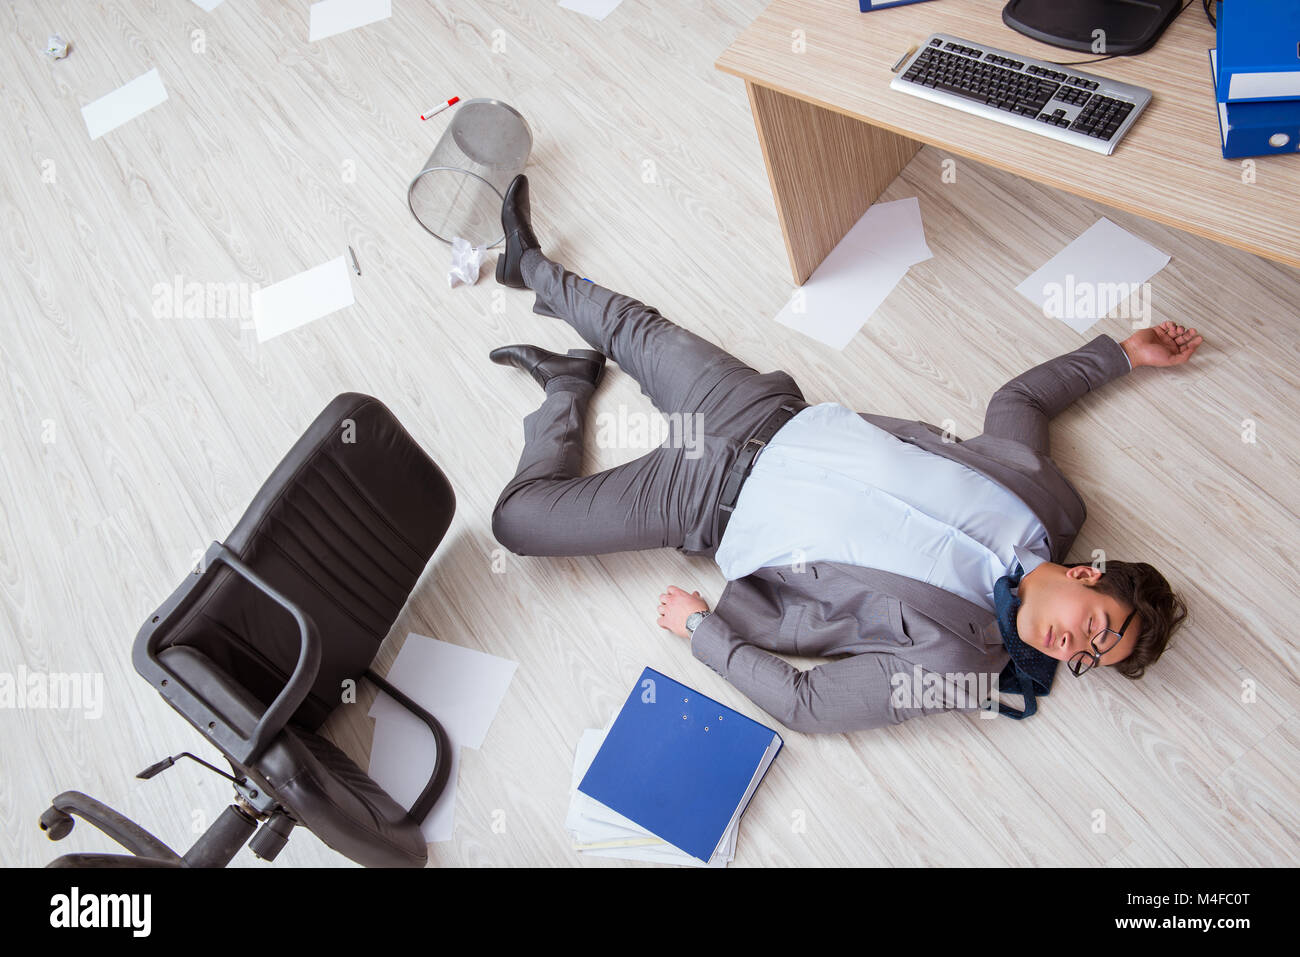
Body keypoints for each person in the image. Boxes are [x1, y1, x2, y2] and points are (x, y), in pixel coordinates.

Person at [487, 174, 1196, 733]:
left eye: (1088, 660)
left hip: (705, 503)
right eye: (1096, 627)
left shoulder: (960, 663)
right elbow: (1021, 404)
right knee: (632, 327)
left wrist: (701, 631)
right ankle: (528, 267)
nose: (1074, 648)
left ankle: (564, 386)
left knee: (520, 523)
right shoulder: (1043, 501)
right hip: (760, 412)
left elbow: (811, 704)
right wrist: (1121, 355)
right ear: (1084, 574)